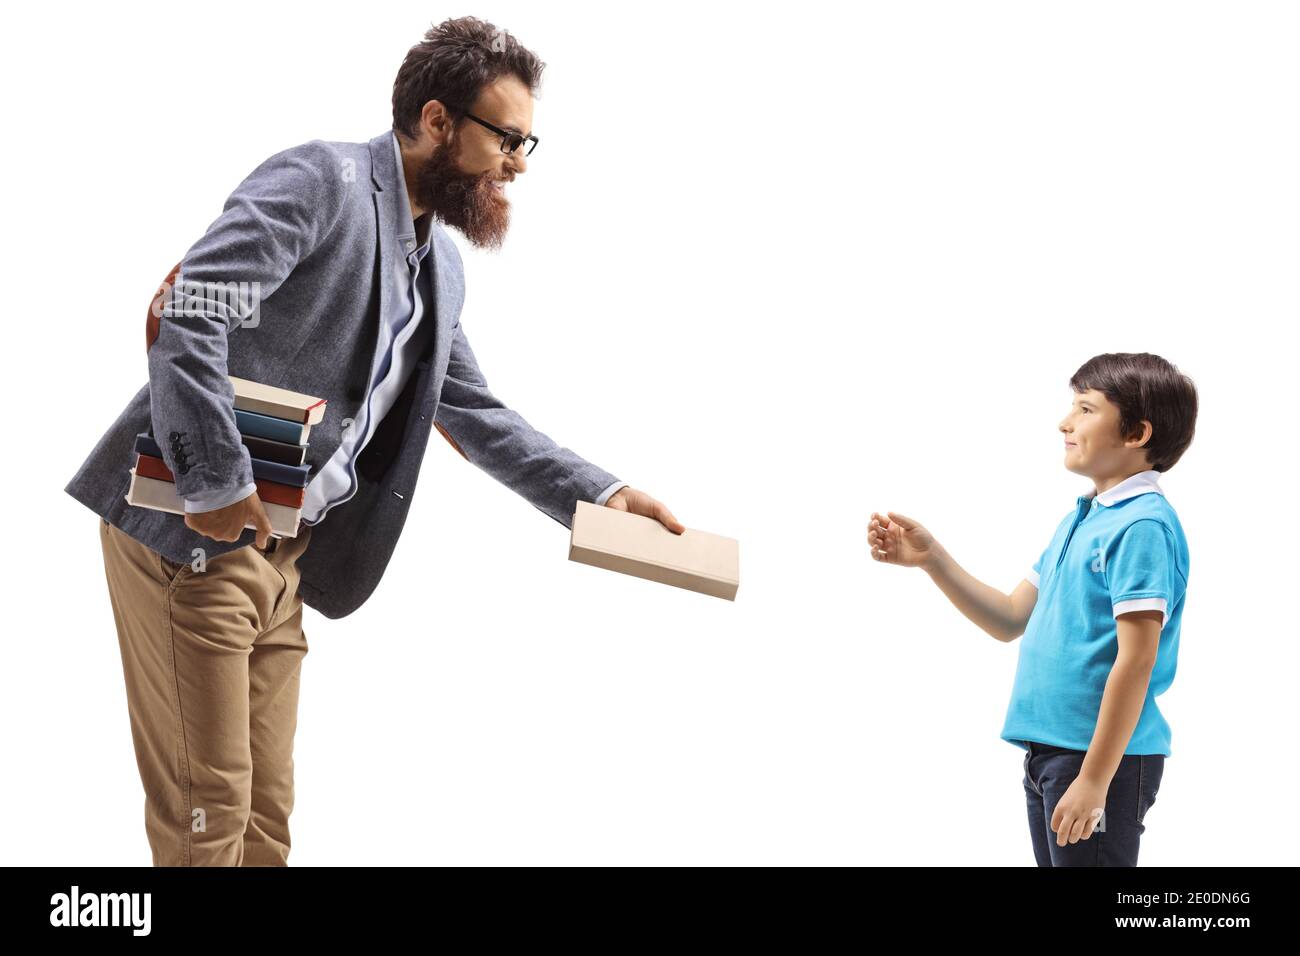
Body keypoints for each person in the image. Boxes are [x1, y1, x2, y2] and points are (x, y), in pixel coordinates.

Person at [66, 16, 684, 865]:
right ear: (438, 122)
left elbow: (473, 412)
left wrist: (604, 494)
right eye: (507, 137)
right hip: (195, 537)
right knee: (207, 814)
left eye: (527, 139)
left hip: (287, 556)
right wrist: (212, 482)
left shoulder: (440, 264)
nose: (520, 161)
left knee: (265, 824)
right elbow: (192, 312)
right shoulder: (322, 182)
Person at [867, 352, 1196, 866]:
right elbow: (1008, 618)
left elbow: (1136, 660)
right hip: (1050, 754)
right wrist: (932, 560)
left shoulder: (1142, 527)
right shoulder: (1082, 520)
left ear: (1136, 434)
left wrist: (1093, 779)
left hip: (1099, 761)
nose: (1064, 422)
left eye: (1085, 409)